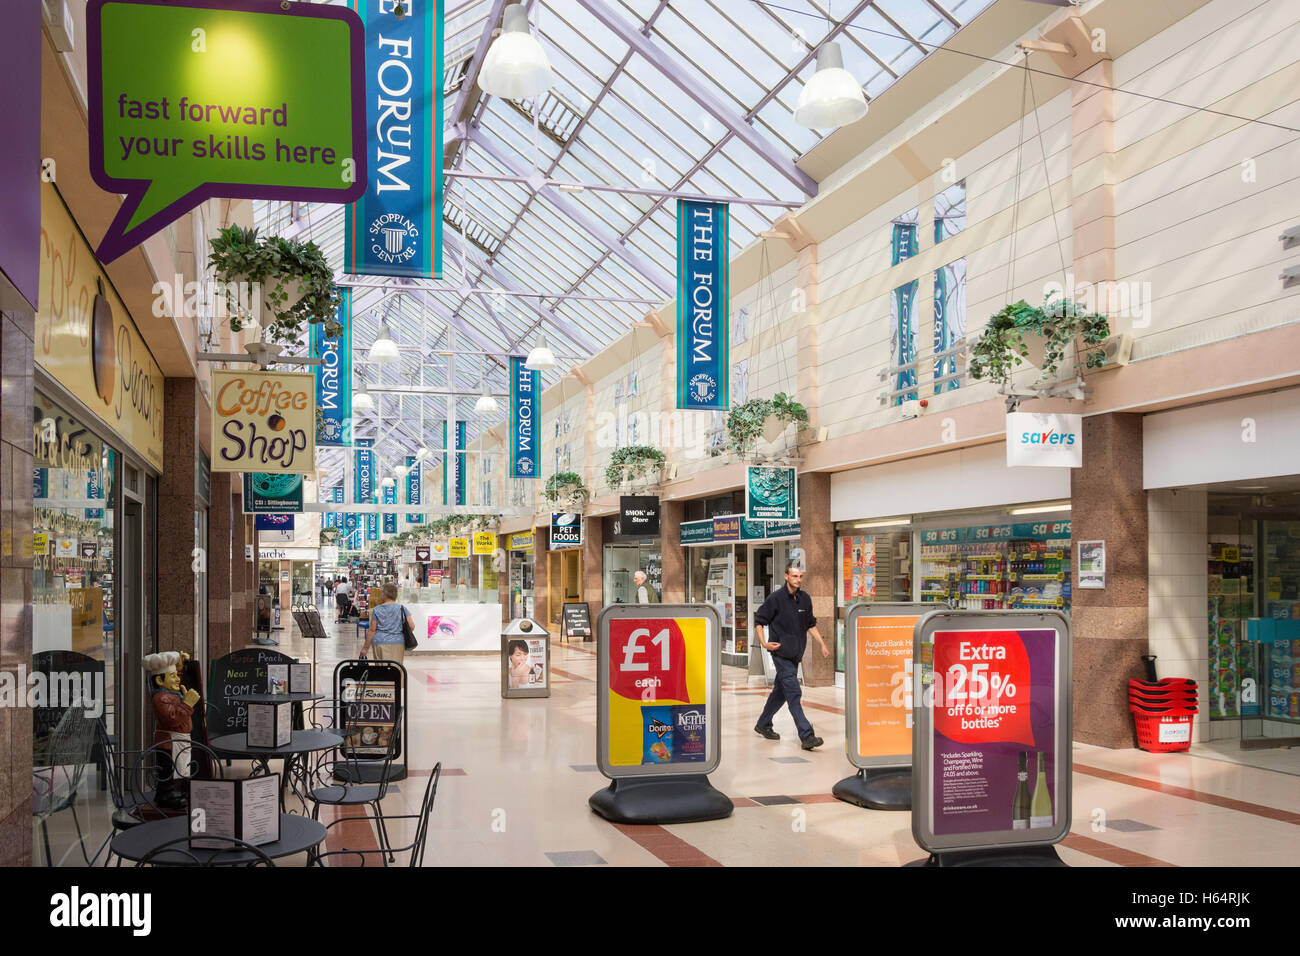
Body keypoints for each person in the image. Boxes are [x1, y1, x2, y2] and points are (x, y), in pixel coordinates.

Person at [753, 563, 830, 750]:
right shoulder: (775, 599)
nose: (798, 580)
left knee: (780, 693)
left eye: (801, 576)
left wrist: (822, 644)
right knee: (794, 693)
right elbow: (759, 620)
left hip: (796, 655)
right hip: (781, 655)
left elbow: (810, 624)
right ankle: (806, 736)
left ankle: (763, 724)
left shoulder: (805, 599)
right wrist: (764, 643)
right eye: (795, 576)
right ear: (786, 576)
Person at [362, 582, 414, 663]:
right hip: (398, 643)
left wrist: (365, 648)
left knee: (381, 670)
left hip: (379, 642)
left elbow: (372, 630)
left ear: (384, 594)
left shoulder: (377, 609)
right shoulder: (402, 608)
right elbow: (411, 626)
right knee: (396, 669)